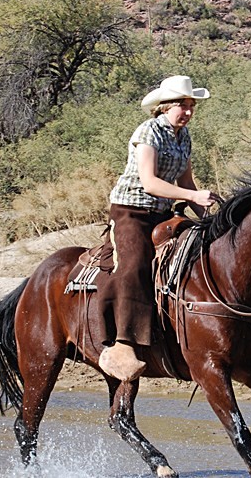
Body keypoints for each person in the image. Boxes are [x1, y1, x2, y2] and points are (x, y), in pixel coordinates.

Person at [95, 75, 219, 381]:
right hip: (131, 212)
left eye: (191, 106)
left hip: (163, 212)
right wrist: (192, 196)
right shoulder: (148, 131)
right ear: (164, 106)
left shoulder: (184, 136)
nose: (188, 111)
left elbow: (187, 183)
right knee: (135, 264)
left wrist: (213, 219)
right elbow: (150, 182)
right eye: (182, 105)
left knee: (197, 253)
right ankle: (123, 345)